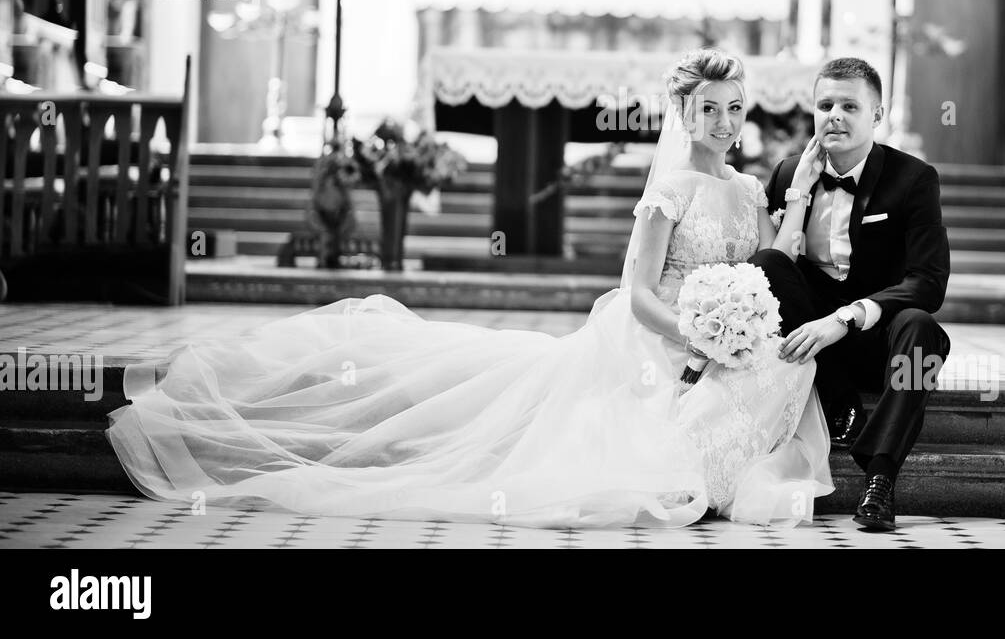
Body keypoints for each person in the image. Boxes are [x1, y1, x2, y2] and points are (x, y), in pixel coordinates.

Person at [106, 49, 831, 528]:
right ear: (686, 113)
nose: (726, 122)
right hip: (656, 339)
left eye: (736, 107)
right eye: (711, 107)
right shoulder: (668, 190)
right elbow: (638, 291)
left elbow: (767, 266)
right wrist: (693, 335)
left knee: (786, 360)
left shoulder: (744, 190)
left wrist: (793, 200)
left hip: (716, 340)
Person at [751, 57, 951, 532]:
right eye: (825, 105)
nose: (834, 115)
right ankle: (841, 403)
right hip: (811, 341)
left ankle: (880, 479)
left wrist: (846, 317)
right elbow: (777, 270)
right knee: (768, 264)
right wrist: (798, 189)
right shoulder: (786, 175)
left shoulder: (914, 179)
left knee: (923, 330)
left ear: (876, 116)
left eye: (849, 105)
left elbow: (929, 281)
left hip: (874, 333)